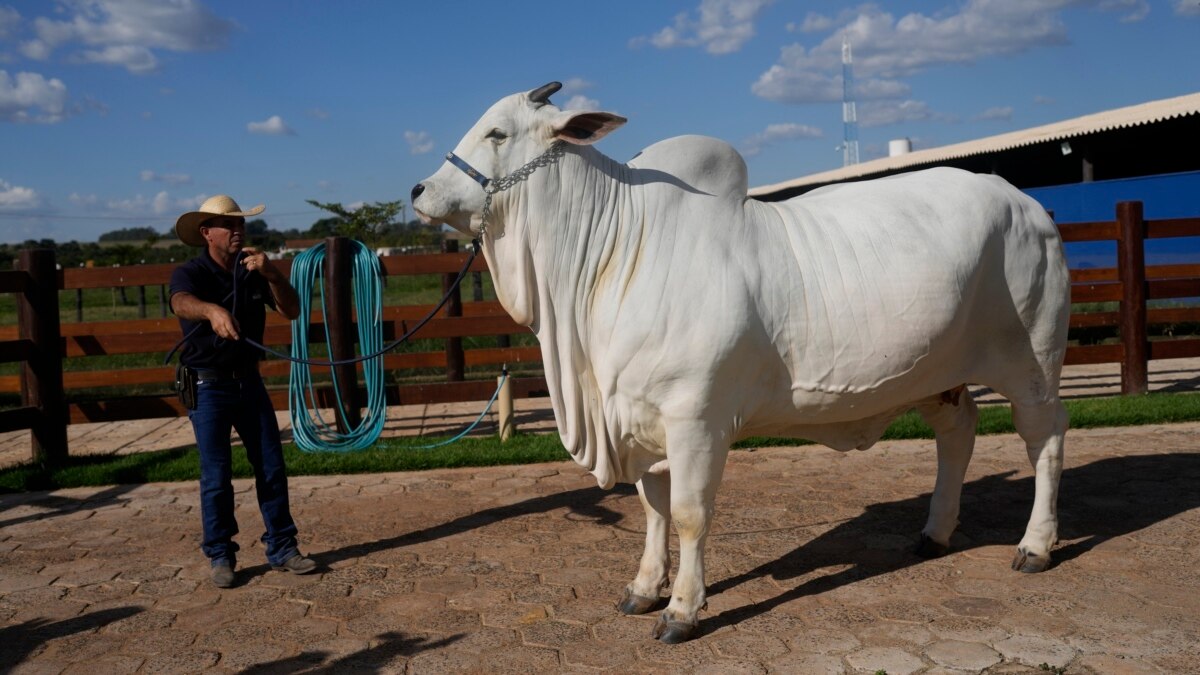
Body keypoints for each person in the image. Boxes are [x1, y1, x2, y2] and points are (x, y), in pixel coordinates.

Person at [169, 194, 316, 588]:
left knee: (271, 466)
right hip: (208, 385)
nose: (238, 231)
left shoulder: (254, 269)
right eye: (229, 225)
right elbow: (180, 302)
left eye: (241, 224)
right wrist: (211, 311)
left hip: (249, 381)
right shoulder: (190, 272)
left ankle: (282, 547)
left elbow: (292, 310)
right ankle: (220, 554)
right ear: (207, 233)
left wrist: (274, 276)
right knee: (216, 475)